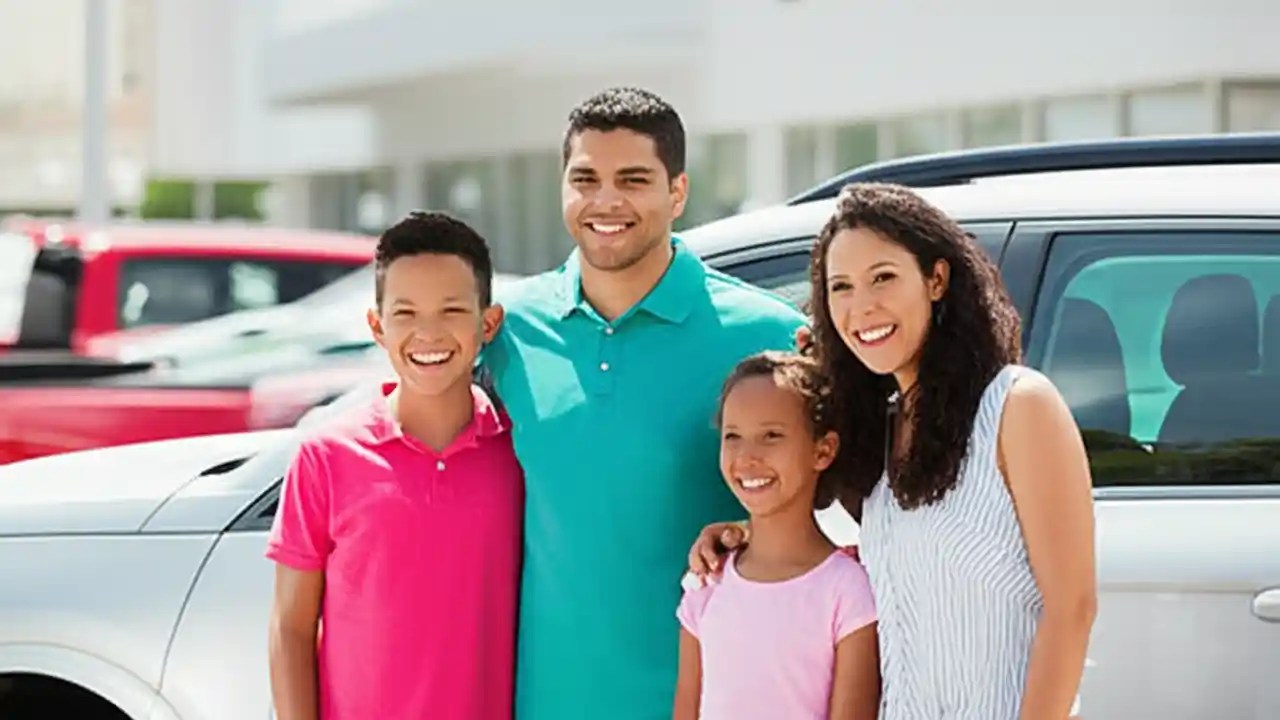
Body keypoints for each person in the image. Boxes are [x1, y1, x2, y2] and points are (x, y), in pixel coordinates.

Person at [688, 183, 1097, 719]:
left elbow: (1072, 608)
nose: (862, 308)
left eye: (882, 277)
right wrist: (744, 538)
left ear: (936, 279)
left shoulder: (1019, 406)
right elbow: (851, 564)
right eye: (841, 287)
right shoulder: (879, 437)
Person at [483, 87, 806, 719]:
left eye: (633, 179)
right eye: (585, 179)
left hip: (714, 700)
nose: (606, 201)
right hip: (547, 702)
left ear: (677, 193)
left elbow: (833, 500)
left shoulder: (766, 332)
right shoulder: (508, 331)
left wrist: (751, 528)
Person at [266, 212, 522, 720]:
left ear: (487, 323)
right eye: (405, 313)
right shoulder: (327, 457)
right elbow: (291, 627)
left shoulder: (520, 453)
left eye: (452, 309)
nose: (428, 333)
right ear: (377, 326)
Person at [673, 351, 880, 720]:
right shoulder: (707, 581)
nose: (747, 456)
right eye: (733, 436)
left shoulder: (848, 591)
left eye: (772, 435)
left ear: (824, 450)